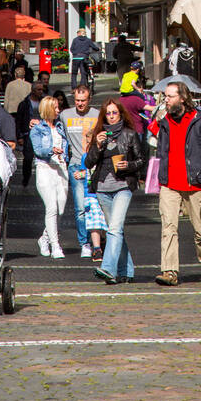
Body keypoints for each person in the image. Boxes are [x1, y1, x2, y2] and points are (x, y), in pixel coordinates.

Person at [152, 81, 201, 287]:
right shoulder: (164, 121)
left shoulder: (199, 120)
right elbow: (160, 150)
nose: (166, 100)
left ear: (182, 98)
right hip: (170, 183)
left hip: (195, 182)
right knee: (168, 228)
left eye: (170, 96)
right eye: (165, 96)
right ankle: (169, 271)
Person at [84, 98, 144, 284]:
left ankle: (108, 268)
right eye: (108, 113)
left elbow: (142, 160)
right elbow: (88, 163)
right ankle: (127, 270)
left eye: (114, 113)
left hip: (123, 186)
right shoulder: (99, 134)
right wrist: (98, 146)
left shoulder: (129, 134)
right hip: (102, 188)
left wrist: (129, 164)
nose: (111, 116)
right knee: (114, 231)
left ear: (120, 114)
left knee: (114, 229)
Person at [62, 82, 100, 259]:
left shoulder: (98, 115)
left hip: (95, 165)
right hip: (76, 165)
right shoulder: (65, 115)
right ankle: (84, 243)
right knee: (80, 208)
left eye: (83, 100)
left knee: (97, 206)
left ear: (90, 99)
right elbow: (51, 125)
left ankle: (99, 241)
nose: (80, 104)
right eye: (77, 100)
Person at [29, 95, 70, 258]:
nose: (58, 110)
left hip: (61, 168)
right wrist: (52, 150)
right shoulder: (37, 129)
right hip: (45, 168)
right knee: (51, 207)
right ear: (48, 109)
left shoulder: (60, 126)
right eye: (55, 108)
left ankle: (44, 239)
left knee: (60, 210)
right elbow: (38, 150)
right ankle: (55, 245)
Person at [16, 81, 44, 185]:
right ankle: (26, 178)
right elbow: (19, 120)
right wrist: (19, 136)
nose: (41, 92)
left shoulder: (43, 102)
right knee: (27, 158)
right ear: (32, 90)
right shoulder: (24, 104)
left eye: (42, 89)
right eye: (39, 89)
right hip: (28, 134)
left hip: (42, 133)